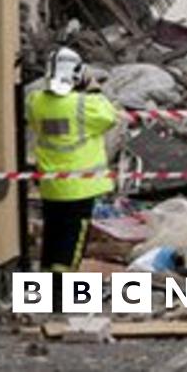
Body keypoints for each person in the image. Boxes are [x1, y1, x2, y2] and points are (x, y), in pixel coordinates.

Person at [26, 48, 117, 302]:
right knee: (72, 242)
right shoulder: (84, 105)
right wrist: (94, 87)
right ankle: (62, 296)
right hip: (79, 187)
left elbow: (34, 119)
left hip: (51, 184)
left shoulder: (35, 102)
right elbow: (109, 116)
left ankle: (44, 292)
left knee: (53, 236)